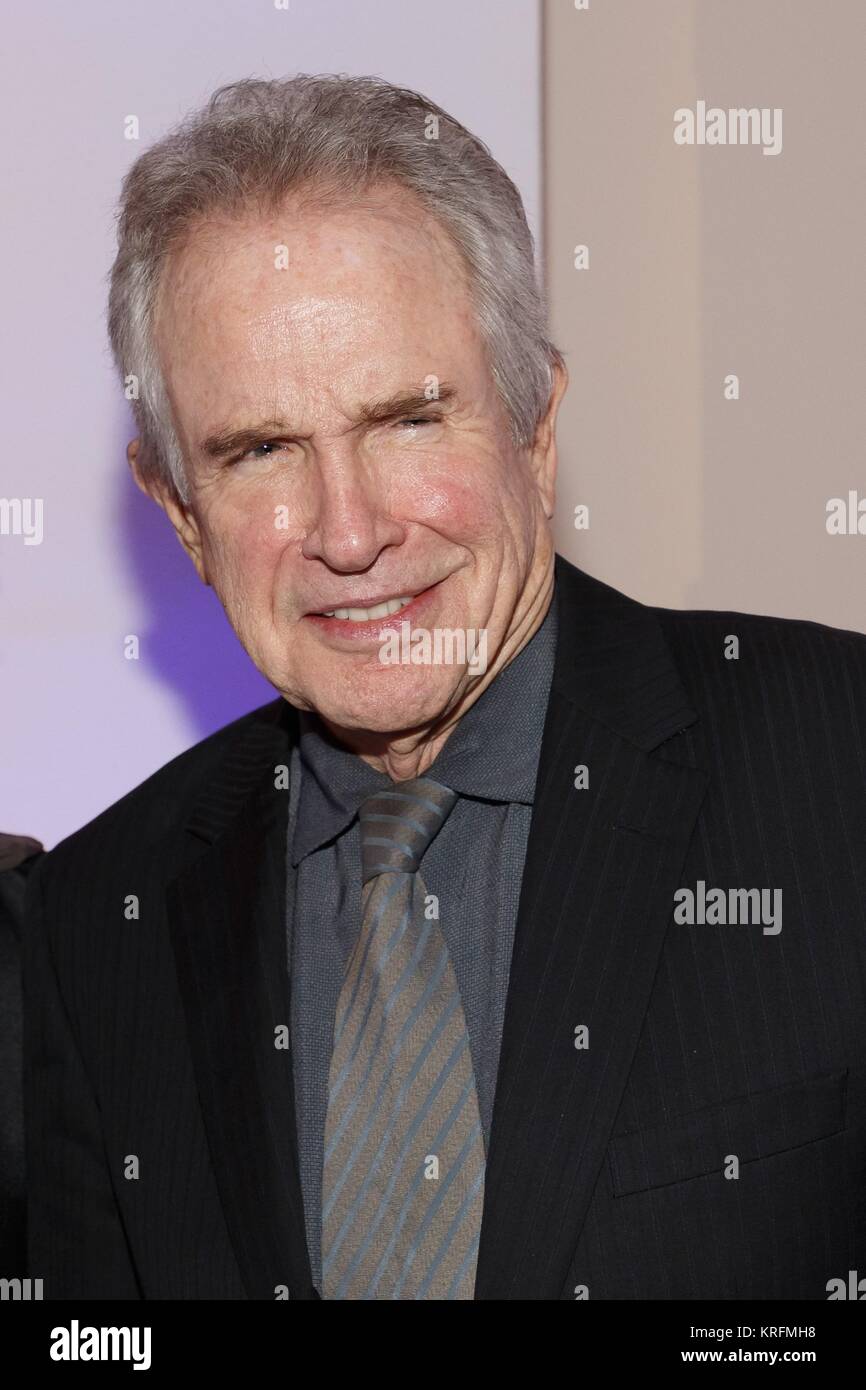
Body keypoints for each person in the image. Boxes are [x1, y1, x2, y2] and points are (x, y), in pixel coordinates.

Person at [23, 74, 866, 1300]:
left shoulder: (835, 766)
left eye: (407, 422)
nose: (348, 531)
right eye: (260, 450)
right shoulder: (99, 918)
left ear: (534, 426)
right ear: (182, 516)